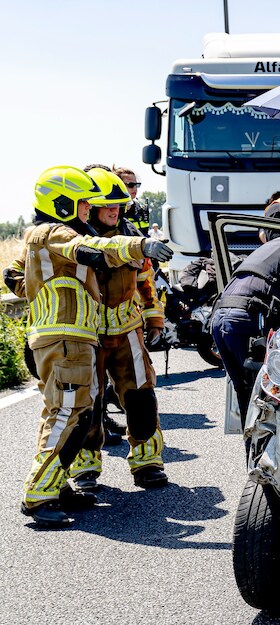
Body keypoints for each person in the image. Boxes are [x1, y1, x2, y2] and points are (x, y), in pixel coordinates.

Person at [6, 165, 173, 528]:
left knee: (105, 405)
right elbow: (88, 250)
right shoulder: (57, 234)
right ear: (64, 203)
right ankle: (44, 491)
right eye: (88, 203)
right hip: (72, 337)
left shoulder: (67, 234)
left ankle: (67, 482)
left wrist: (154, 319)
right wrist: (139, 245)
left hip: (104, 332)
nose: (102, 209)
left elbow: (143, 280)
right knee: (74, 412)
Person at [69, 168, 169, 492]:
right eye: (107, 205)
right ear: (90, 206)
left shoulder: (131, 235)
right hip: (87, 335)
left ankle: (147, 462)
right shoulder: (72, 238)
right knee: (87, 403)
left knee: (142, 398)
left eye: (119, 204)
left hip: (127, 331)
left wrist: (154, 320)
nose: (115, 210)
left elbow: (145, 281)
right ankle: (85, 467)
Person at [211, 233, 280, 420]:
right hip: (244, 318)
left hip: (219, 316)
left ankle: (250, 437)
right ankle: (264, 436)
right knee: (262, 388)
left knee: (243, 387)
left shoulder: (276, 250)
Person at [114, 167, 150, 233]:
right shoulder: (112, 209)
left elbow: (145, 233)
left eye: (136, 185)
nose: (135, 188)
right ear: (118, 185)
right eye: (131, 185)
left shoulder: (141, 208)